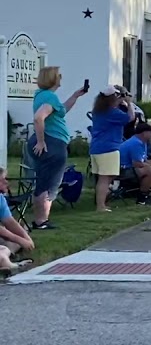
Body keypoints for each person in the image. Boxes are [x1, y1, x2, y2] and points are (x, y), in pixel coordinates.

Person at [27, 66, 88, 230]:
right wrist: (41, 142)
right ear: (53, 78)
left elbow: (61, 111)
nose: (61, 78)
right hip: (52, 143)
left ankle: (41, 220)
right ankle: (41, 221)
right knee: (49, 183)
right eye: (59, 75)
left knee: (44, 180)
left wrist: (75, 96)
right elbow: (39, 118)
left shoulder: (42, 96)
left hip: (49, 142)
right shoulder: (49, 97)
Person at [88, 88, 135, 212]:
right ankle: (101, 206)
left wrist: (120, 101)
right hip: (108, 148)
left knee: (107, 176)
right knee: (105, 178)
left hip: (97, 148)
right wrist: (129, 103)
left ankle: (101, 201)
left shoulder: (98, 111)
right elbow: (130, 117)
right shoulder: (112, 113)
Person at [119, 123, 151, 205]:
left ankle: (145, 194)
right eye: (150, 132)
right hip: (123, 170)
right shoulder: (135, 143)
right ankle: (141, 198)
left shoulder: (142, 142)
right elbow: (137, 163)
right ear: (144, 133)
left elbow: (144, 160)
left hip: (131, 168)